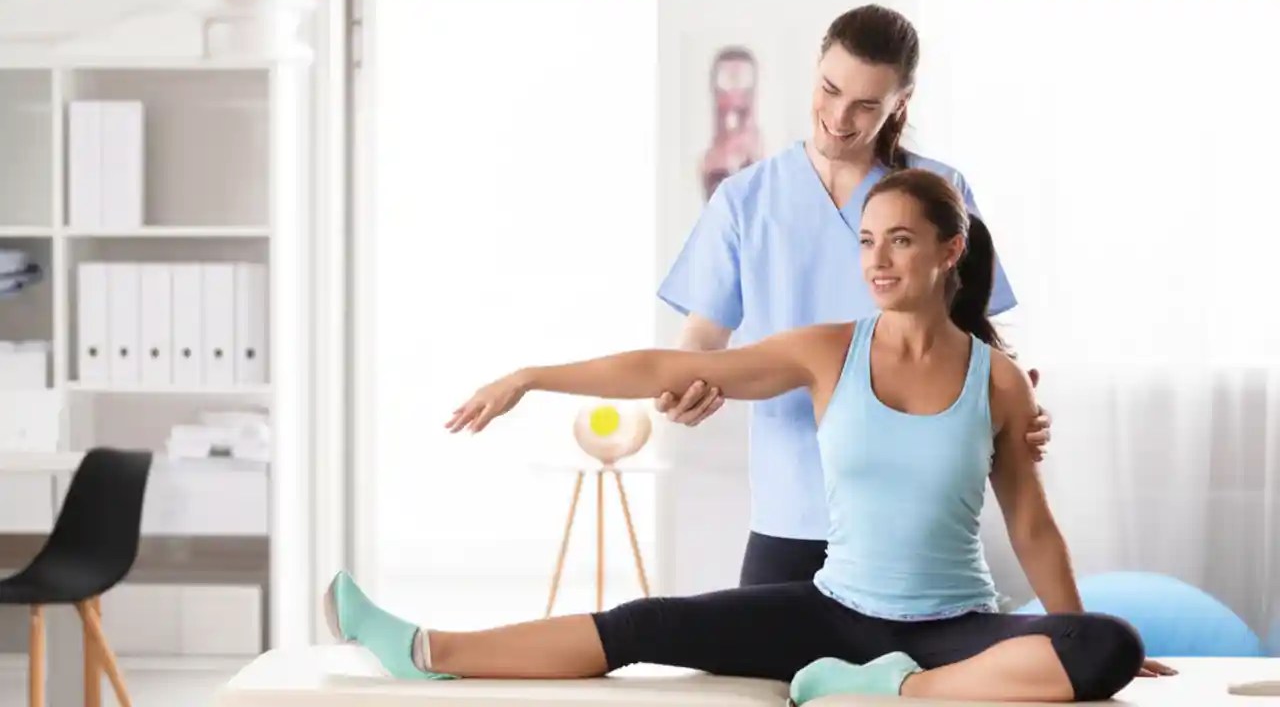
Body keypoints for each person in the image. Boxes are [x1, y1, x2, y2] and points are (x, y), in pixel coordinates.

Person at [324, 169, 1176, 703]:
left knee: (1110, 644)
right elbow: (667, 363)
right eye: (867, 241)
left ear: (950, 251)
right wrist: (533, 376)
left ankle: (893, 690)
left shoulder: (997, 379)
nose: (878, 261)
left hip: (953, 625)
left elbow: (1031, 526)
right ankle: (428, 649)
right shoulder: (827, 352)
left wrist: (1071, 635)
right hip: (832, 613)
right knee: (644, 622)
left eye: (901, 241)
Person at [654, 4, 1053, 588]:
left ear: (900, 102)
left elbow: (974, 334)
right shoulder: (745, 200)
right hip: (791, 510)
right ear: (815, 70)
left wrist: (1018, 408)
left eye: (866, 104)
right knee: (760, 649)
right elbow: (702, 336)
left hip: (913, 517)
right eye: (830, 89)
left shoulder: (940, 190)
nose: (840, 118)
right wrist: (683, 386)